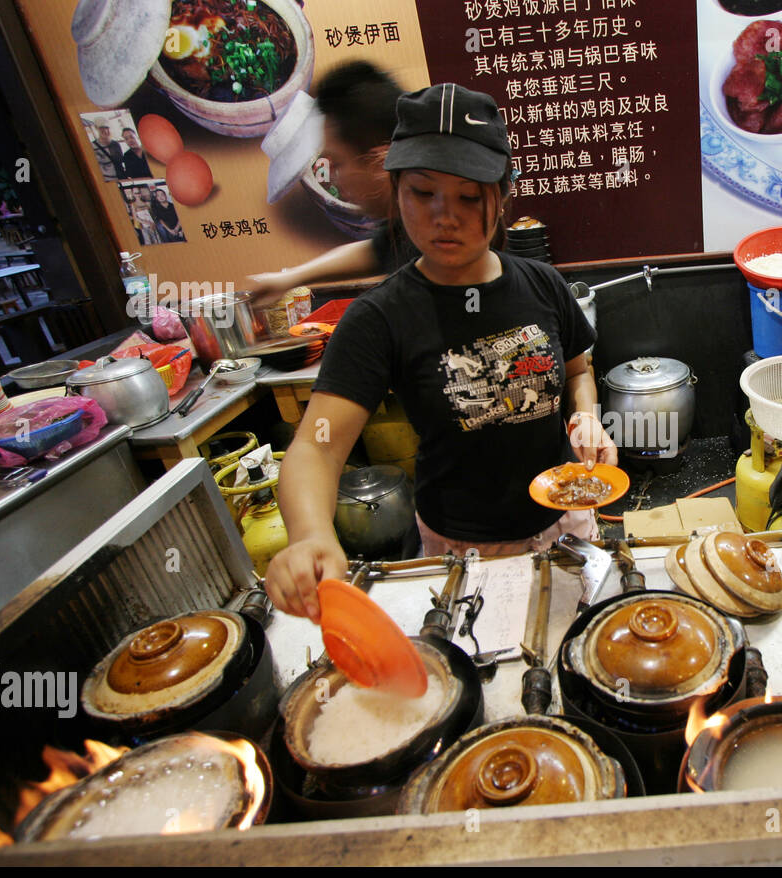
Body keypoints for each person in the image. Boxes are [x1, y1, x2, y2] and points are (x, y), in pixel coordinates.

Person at [264, 83, 616, 623]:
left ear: (501, 195)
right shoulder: (380, 317)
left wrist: (586, 419)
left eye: (469, 196)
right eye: (422, 192)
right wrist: (310, 534)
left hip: (565, 521)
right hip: (462, 547)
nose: (444, 216)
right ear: (395, 190)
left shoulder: (543, 285)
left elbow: (578, 372)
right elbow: (316, 447)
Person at [245, 61, 417, 305]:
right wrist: (291, 278)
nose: (335, 177)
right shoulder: (412, 221)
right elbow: (378, 251)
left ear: (379, 161)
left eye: (337, 163)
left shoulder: (445, 235)